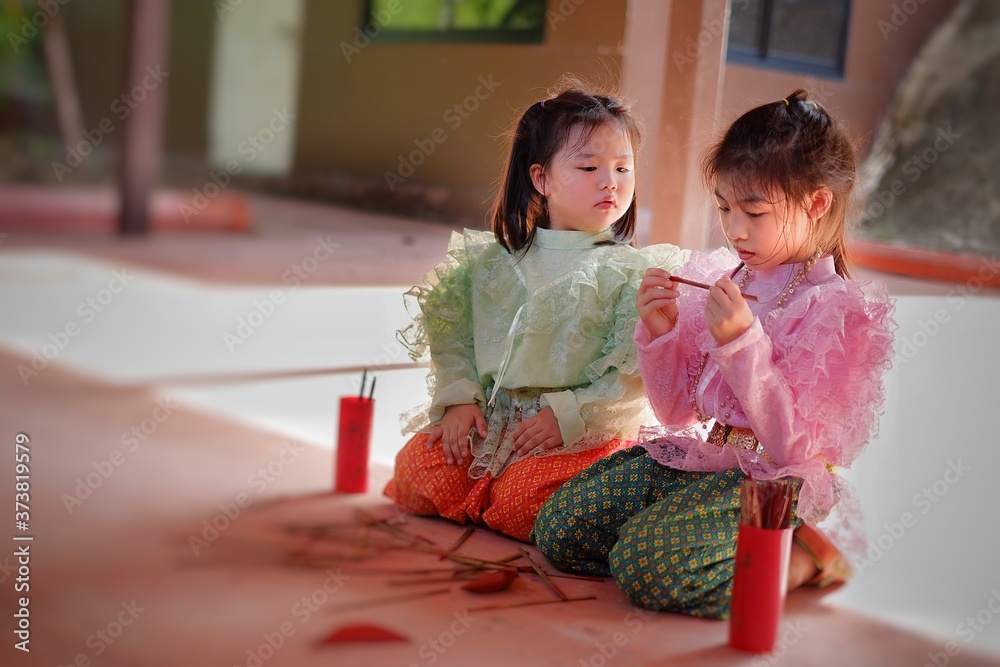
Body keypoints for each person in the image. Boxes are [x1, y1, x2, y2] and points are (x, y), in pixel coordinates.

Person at [533, 90, 896, 618]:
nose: (735, 228)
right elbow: (677, 413)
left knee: (645, 567)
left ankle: (798, 557)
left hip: (770, 482)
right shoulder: (722, 277)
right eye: (725, 207)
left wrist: (742, 345)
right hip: (709, 458)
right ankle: (691, 538)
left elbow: (795, 448)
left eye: (753, 210)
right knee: (560, 530)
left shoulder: (837, 310)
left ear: (817, 204)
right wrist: (659, 334)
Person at [384, 84, 687, 542]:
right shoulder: (493, 262)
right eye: (589, 166)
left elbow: (631, 373)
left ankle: (508, 500)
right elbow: (454, 335)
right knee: (418, 467)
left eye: (623, 168)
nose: (611, 181)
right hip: (494, 422)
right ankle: (492, 497)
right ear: (541, 179)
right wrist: (461, 398)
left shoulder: (632, 273)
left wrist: (568, 414)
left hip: (574, 434)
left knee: (527, 500)